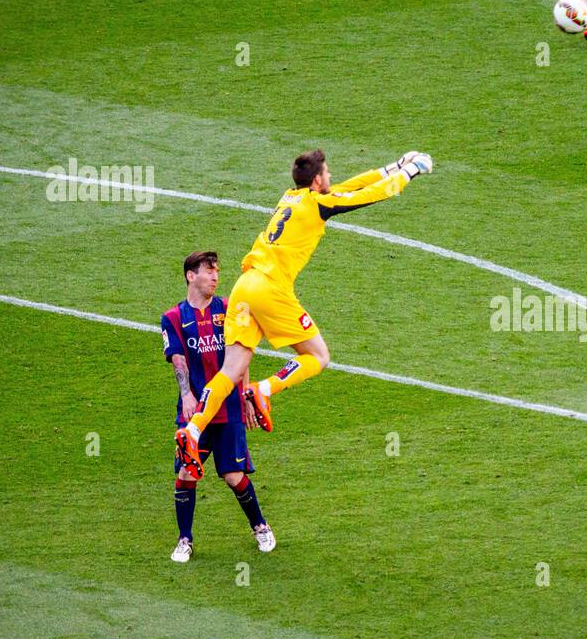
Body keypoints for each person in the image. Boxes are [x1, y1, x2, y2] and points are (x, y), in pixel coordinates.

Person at [174, 150, 433, 478]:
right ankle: (264, 389)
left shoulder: (292, 197)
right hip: (270, 289)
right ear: (316, 180)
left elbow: (348, 187)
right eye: (326, 173)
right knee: (319, 356)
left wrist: (391, 166)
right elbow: (368, 195)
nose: (330, 177)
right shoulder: (317, 204)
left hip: (244, 286)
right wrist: (409, 172)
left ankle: (193, 430)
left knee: (230, 370)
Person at [161, 251, 273, 562]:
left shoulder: (228, 309)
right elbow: (179, 360)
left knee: (233, 476)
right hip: (195, 411)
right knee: (186, 473)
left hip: (229, 408)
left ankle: (260, 525)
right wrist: (185, 395)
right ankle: (185, 540)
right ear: (190, 275)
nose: (215, 277)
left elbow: (241, 354)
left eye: (217, 271)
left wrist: (247, 394)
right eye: (209, 271)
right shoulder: (173, 318)